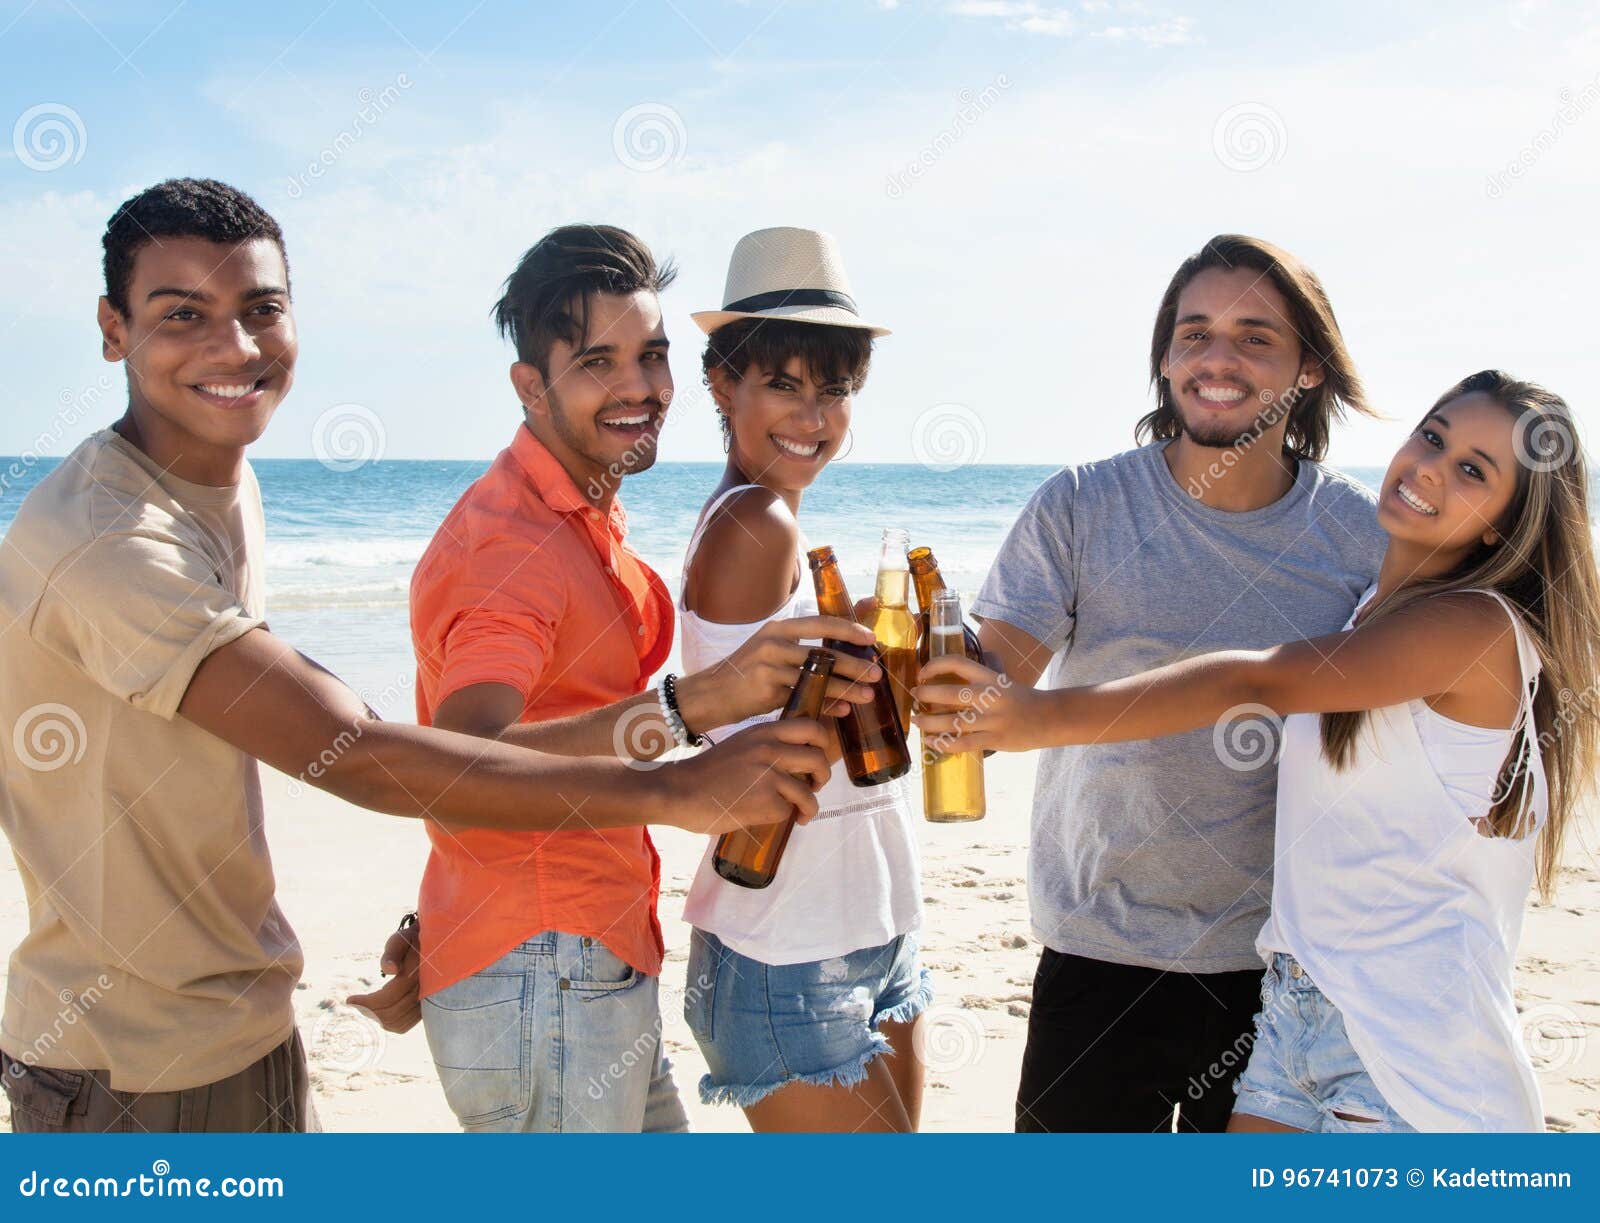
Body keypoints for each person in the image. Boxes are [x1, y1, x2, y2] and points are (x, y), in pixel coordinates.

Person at [0, 182, 848, 1134]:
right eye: (181, 315)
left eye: (260, 309)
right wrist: (680, 770)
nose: (234, 347)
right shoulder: (117, 543)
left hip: (252, 1013)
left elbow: (445, 765)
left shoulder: (220, 479)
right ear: (113, 330)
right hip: (133, 1057)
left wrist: (448, 918)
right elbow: (372, 752)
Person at [918, 369, 1599, 1132]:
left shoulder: (1476, 630)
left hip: (1409, 1050)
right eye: (1432, 437)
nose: (1430, 466)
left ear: (1504, 525)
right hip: (1295, 1019)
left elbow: (1252, 679)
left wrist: (1037, 718)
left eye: (1473, 470)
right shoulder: (1373, 610)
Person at [387, 224, 885, 1134]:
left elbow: (498, 741)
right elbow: (461, 765)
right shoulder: (514, 541)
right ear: (530, 385)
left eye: (650, 355)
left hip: (575, 954)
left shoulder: (576, 507)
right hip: (545, 967)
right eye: (596, 362)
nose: (639, 387)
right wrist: (691, 716)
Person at [961, 234, 1387, 1132]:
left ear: (1308, 368)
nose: (1217, 359)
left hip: (1284, 968)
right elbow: (990, 691)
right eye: (1194, 334)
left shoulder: (1360, 540)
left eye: (1254, 338)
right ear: (1164, 359)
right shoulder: (1082, 504)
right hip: (1099, 955)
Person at [678, 228, 930, 1131]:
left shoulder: (762, 518)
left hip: (862, 924)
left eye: (834, 389)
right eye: (782, 382)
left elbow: (767, 687)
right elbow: (753, 748)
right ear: (722, 384)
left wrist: (866, 634)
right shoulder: (758, 522)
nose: (813, 416)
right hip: (788, 946)